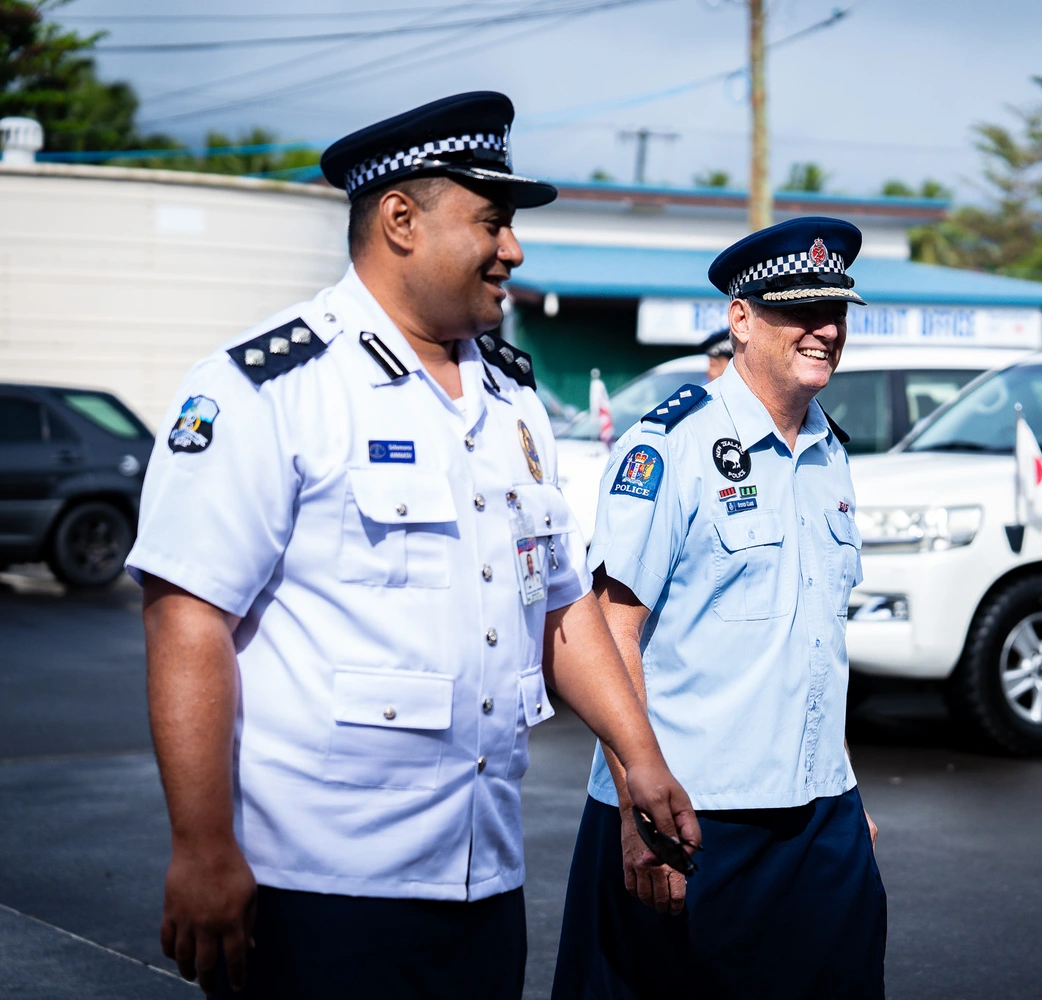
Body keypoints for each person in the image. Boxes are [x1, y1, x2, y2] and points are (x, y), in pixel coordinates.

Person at [126, 92, 698, 1000]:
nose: (513, 249)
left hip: (482, 876)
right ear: (400, 220)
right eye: (492, 223)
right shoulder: (273, 388)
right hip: (316, 886)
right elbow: (187, 621)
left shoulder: (513, 401)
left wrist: (642, 758)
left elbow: (561, 605)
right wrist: (201, 848)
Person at [552, 217, 886, 999]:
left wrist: (840, 787)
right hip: (692, 818)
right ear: (741, 319)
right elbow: (612, 632)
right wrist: (639, 807)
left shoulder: (830, 452)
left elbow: (813, 644)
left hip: (818, 818)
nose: (827, 330)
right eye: (802, 311)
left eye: (836, 311)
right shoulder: (668, 448)